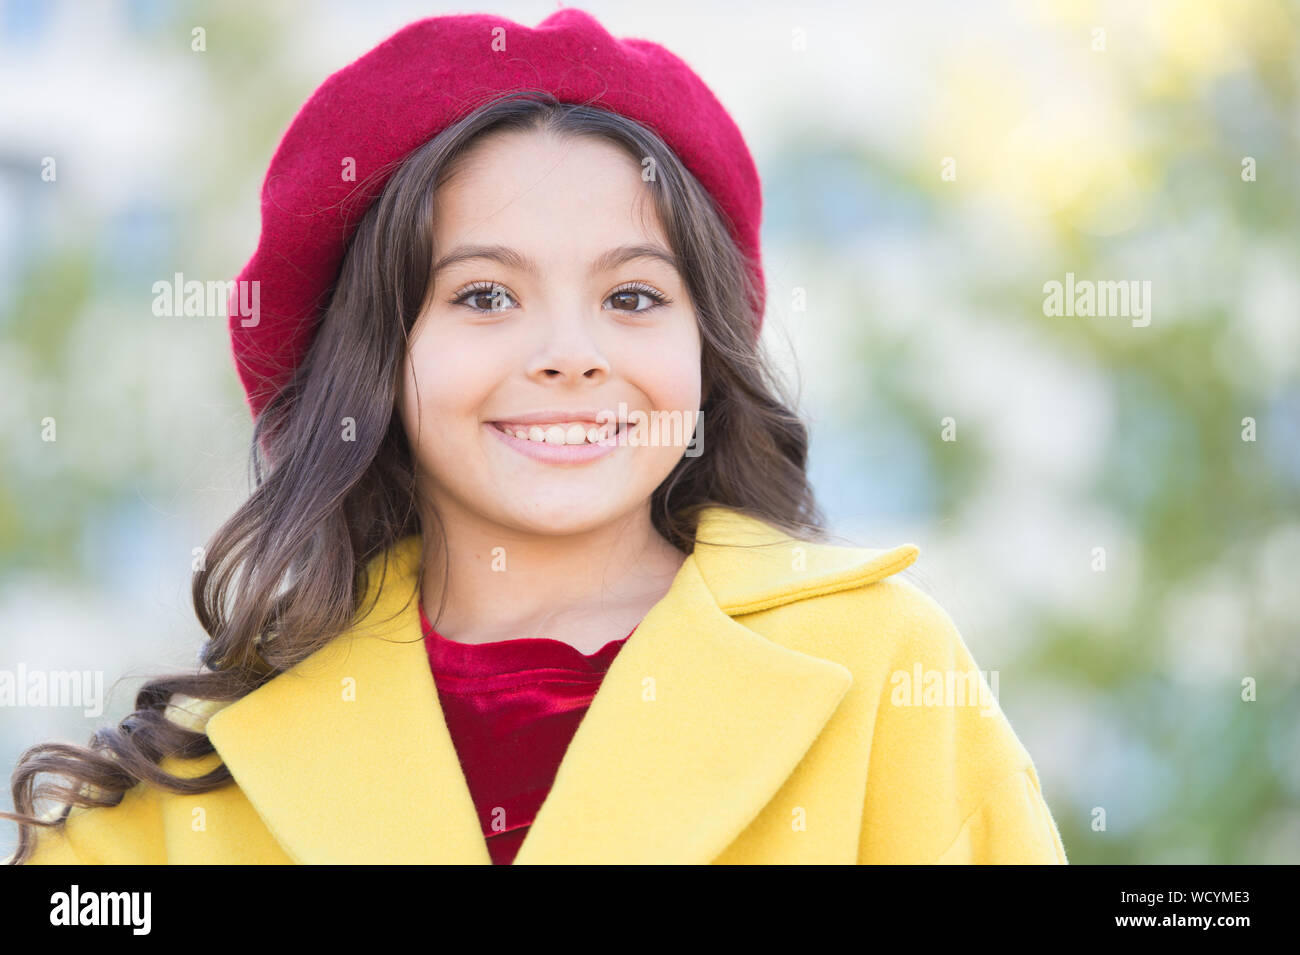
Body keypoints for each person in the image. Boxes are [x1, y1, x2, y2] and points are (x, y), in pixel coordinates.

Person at [5, 7, 1067, 864]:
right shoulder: (166, 808)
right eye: (484, 296)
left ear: (706, 350)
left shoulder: (884, 672)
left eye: (634, 297)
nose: (570, 354)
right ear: (376, 355)